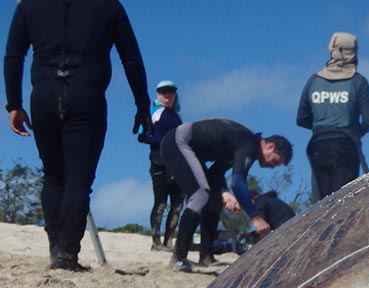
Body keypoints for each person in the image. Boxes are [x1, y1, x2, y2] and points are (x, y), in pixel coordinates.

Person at [4, 0, 151, 271]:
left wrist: (14, 104)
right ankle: (67, 254)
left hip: (44, 95)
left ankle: (56, 248)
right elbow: (130, 58)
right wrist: (142, 104)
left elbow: (14, 55)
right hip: (87, 96)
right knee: (78, 181)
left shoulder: (29, 5)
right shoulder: (109, 6)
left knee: (53, 175)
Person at [158, 118, 292, 272]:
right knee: (200, 194)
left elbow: (215, 174)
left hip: (190, 150)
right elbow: (238, 183)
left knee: (214, 198)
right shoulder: (248, 144)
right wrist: (256, 218)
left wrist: (225, 193)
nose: (273, 167)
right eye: (276, 161)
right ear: (270, 146)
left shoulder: (242, 145)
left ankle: (206, 257)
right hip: (178, 143)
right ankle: (179, 258)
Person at [296, 31, 369, 200]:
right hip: (346, 146)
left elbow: (301, 118)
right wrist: (353, 131)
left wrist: (322, 126)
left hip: (317, 146)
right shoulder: (358, 82)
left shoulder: (313, 81)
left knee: (321, 204)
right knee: (344, 201)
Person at [138, 79, 183, 251]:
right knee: (161, 203)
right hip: (158, 164)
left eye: (171, 92)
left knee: (178, 204)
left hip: (176, 166)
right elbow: (142, 136)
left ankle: (169, 241)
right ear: (158, 94)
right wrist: (165, 141)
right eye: (164, 92)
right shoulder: (153, 112)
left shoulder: (177, 117)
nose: (168, 95)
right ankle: (156, 241)